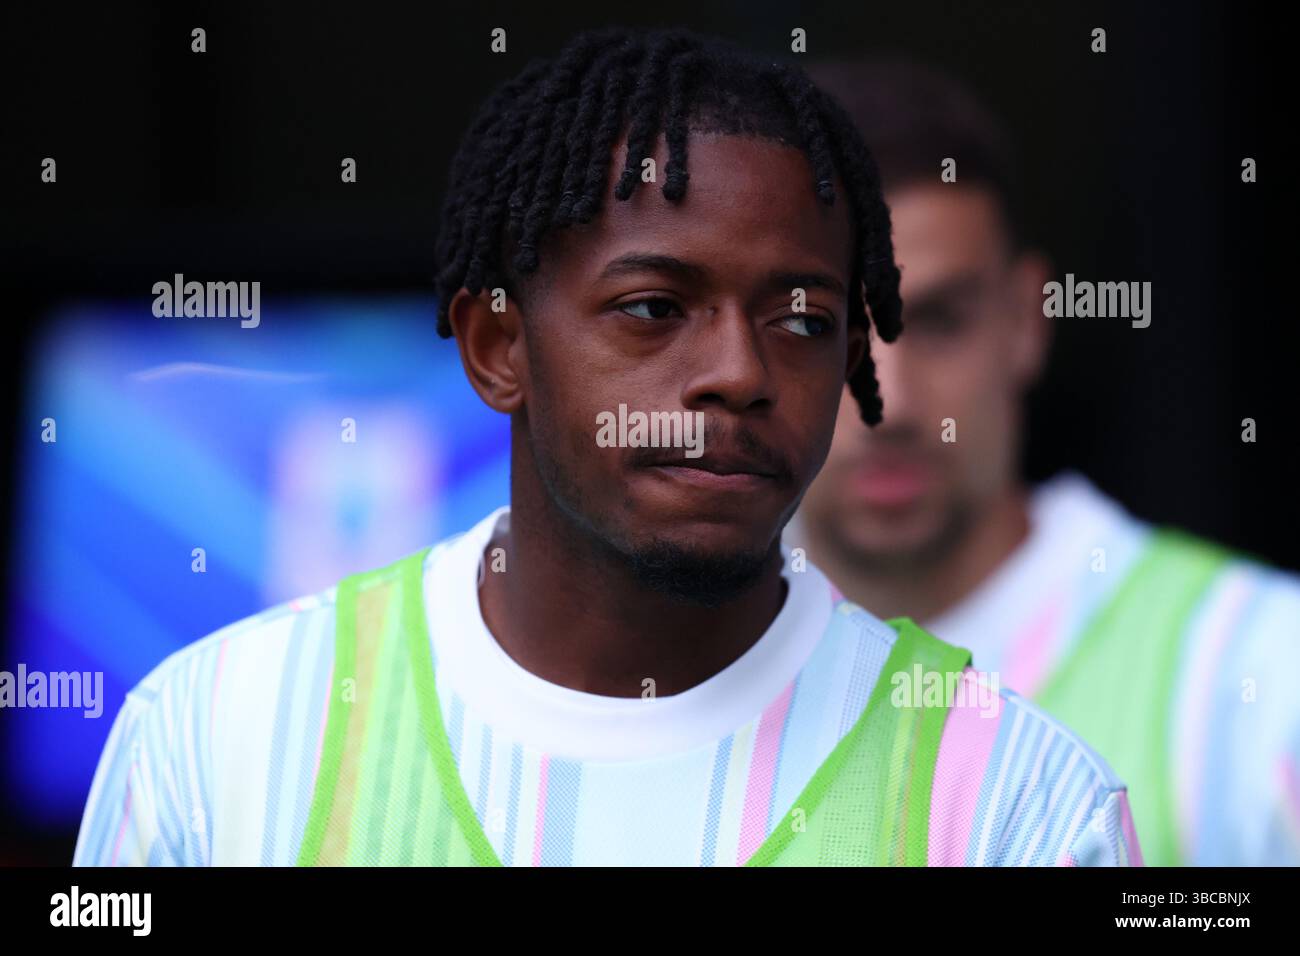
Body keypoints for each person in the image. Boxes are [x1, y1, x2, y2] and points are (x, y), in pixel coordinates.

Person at [74, 28, 1140, 867]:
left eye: (803, 317)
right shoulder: (223, 734)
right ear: (498, 344)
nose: (739, 369)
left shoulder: (1012, 796)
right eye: (652, 306)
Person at [795, 58, 1300, 866]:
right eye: (826, 328)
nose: (889, 401)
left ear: (1028, 320)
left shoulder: (1261, 671)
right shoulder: (660, 683)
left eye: (939, 321)